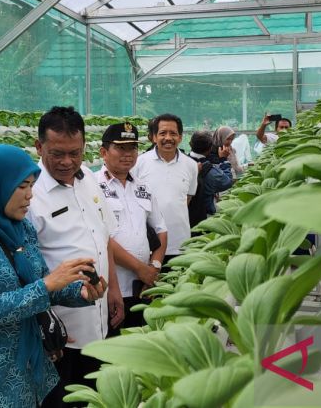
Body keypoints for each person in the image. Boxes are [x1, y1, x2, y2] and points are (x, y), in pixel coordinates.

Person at [0, 143, 107, 408]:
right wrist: (47, 285)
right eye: (22, 187)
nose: (30, 195)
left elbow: (42, 284)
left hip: (29, 367)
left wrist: (80, 292)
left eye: (32, 185)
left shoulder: (22, 229)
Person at [27, 106, 124, 408]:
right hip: (60, 331)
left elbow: (103, 236)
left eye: (75, 152)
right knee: (62, 399)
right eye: (57, 153)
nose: (67, 162)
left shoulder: (89, 181)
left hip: (97, 320)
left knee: (93, 395)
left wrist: (115, 290)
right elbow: (27, 268)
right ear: (39, 146)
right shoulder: (30, 193)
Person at [94, 122, 168, 335]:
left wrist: (153, 268)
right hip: (111, 288)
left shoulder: (142, 187)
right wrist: (140, 268)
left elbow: (161, 230)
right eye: (121, 148)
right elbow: (102, 237)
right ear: (103, 152)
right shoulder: (94, 186)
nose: (128, 154)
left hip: (142, 287)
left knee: (140, 341)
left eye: (133, 148)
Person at [132, 113, 198, 263]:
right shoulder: (139, 163)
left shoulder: (191, 166)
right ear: (154, 137)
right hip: (148, 243)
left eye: (173, 133)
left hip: (179, 244)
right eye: (162, 133)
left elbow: (187, 199)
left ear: (180, 137)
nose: (168, 138)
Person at [187, 131, 234, 227]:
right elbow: (227, 182)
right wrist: (223, 160)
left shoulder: (183, 162)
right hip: (204, 217)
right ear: (210, 148)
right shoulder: (211, 172)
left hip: (185, 215)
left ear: (190, 144)